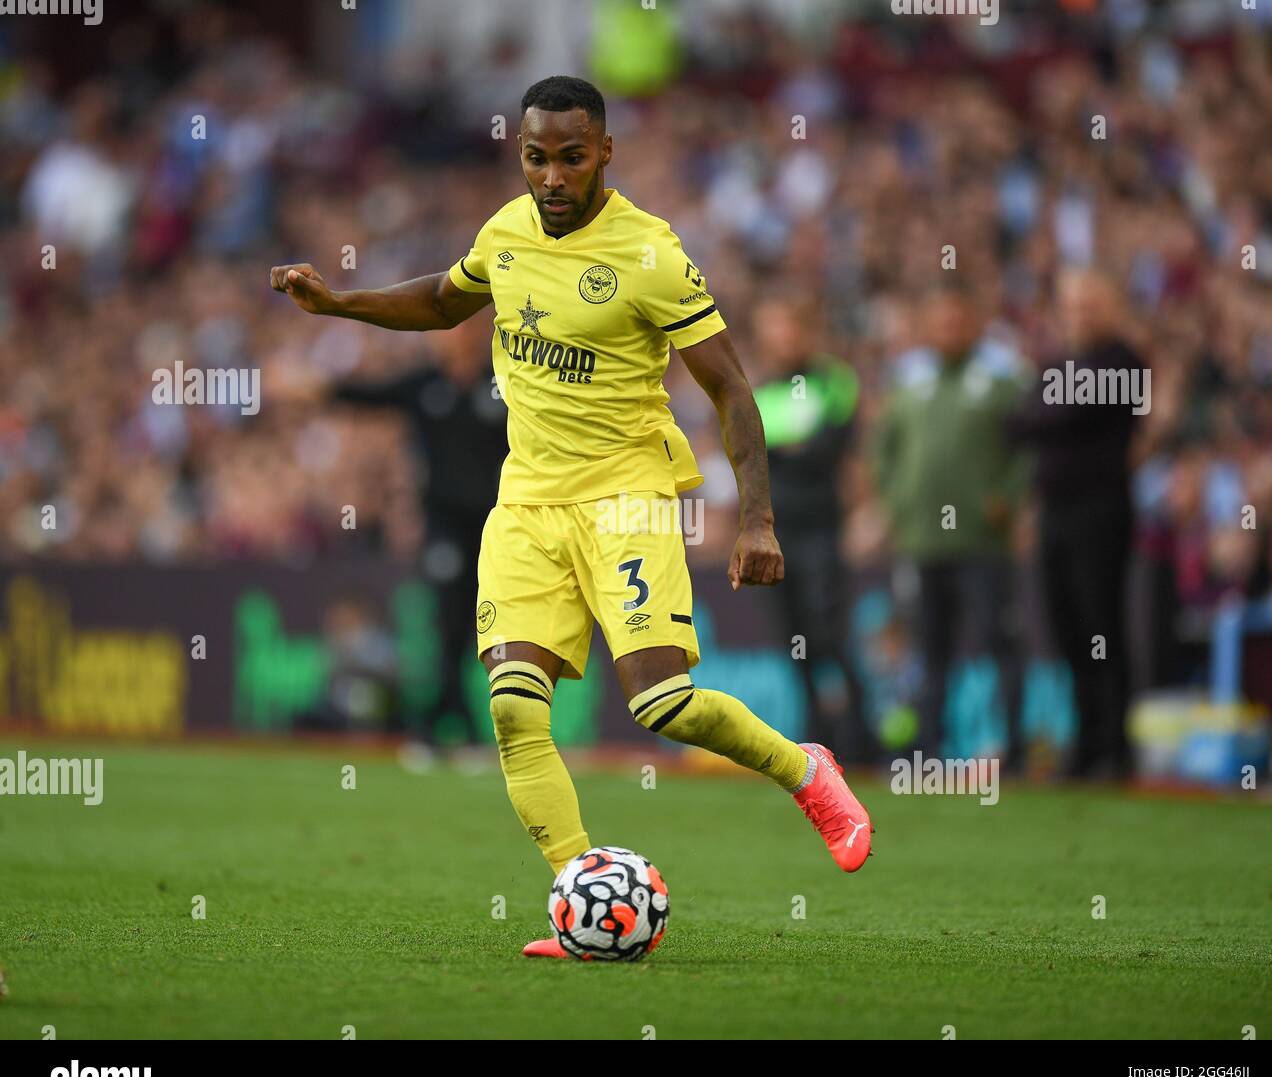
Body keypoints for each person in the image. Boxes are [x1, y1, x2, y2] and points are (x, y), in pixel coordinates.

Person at [270, 75, 874, 959]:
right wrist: (342, 302)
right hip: (525, 503)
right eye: (535, 158)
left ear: (604, 155)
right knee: (514, 711)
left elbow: (732, 387)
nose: (551, 177)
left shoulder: (651, 254)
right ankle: (586, 899)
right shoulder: (506, 232)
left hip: (626, 495)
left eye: (570, 158)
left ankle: (807, 771)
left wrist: (755, 519)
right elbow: (445, 300)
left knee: (663, 705)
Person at [330, 321, 508, 749]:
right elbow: (373, 394)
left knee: (473, 629)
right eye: (448, 330)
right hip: (444, 526)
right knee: (447, 621)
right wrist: (321, 390)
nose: (454, 337)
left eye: (464, 329)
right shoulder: (425, 386)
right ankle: (454, 731)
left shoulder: (503, 384)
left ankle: (435, 726)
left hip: (496, 529)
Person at [875, 282, 1026, 767]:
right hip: (923, 541)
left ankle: (1012, 746)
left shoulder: (1002, 379)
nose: (949, 329)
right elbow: (882, 448)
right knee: (929, 648)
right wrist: (897, 498)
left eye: (957, 320)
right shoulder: (910, 381)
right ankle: (929, 748)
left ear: (975, 323)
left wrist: (1009, 495)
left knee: (996, 643)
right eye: (940, 321)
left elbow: (1028, 449)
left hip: (983, 541)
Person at [1010, 269, 1142, 780]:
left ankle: (1114, 748)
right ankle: (1086, 746)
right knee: (1067, 629)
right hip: (1056, 514)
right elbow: (1023, 422)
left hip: (1101, 512)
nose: (1082, 313)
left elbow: (1055, 418)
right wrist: (1044, 412)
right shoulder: (1057, 365)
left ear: (1111, 306)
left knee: (1100, 627)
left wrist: (1044, 413)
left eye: (1091, 303)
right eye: (1074, 304)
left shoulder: (1123, 361)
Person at [749, 294, 880, 762]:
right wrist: (790, 450)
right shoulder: (761, 390)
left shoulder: (833, 382)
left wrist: (784, 451)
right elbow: (750, 456)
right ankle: (816, 737)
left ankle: (861, 737)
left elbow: (824, 449)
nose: (782, 338)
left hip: (821, 532)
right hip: (775, 536)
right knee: (793, 638)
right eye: (774, 328)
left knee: (830, 636)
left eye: (789, 327)